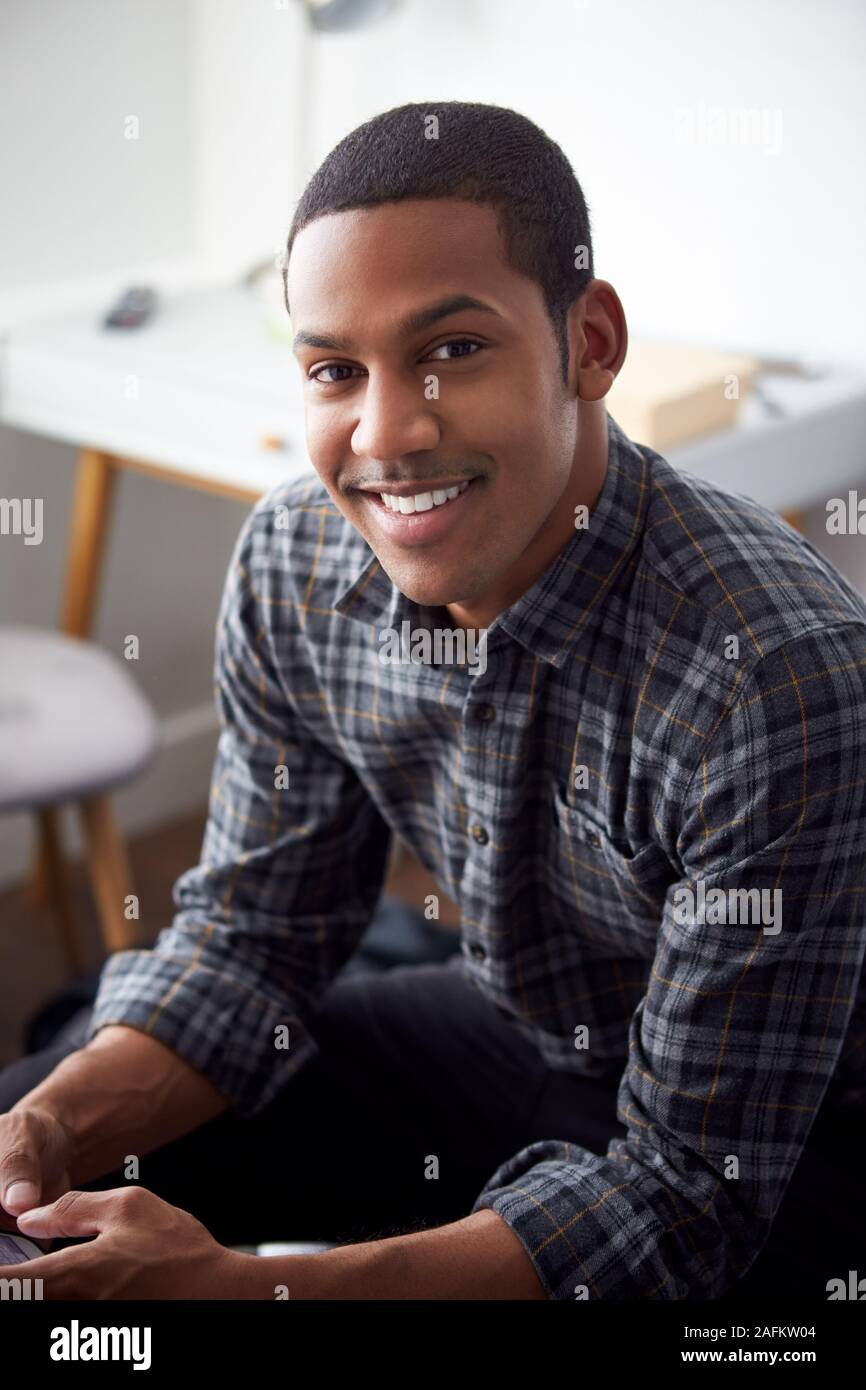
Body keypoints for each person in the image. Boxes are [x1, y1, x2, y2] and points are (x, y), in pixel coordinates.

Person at [1, 100, 864, 1301]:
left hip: (780, 1141)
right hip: (520, 1029)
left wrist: (246, 1292)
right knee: (33, 1130)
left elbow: (682, 1199)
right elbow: (259, 937)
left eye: (452, 350)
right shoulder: (294, 560)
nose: (385, 432)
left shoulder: (773, 672)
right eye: (333, 370)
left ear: (590, 343)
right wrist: (50, 1119)